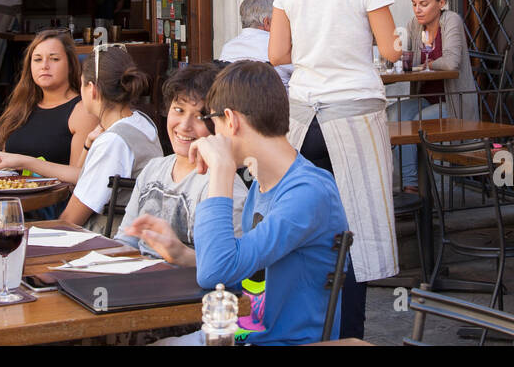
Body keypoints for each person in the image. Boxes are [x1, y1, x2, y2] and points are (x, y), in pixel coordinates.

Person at [130, 62, 349, 345]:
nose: (212, 133)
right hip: (244, 332)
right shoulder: (264, 182)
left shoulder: (308, 192)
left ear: (230, 121)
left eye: (214, 122)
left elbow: (215, 273)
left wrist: (221, 169)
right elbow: (239, 268)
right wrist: (183, 255)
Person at [269, 0, 401, 339]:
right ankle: (349, 335)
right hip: (354, 115)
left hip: (303, 117)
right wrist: (393, 41)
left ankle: (302, 326)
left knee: (304, 223)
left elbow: (278, 54)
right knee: (357, 232)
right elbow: (389, 50)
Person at [117, 62, 248, 262]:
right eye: (178, 110)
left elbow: (229, 267)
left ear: (219, 123)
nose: (185, 126)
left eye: (199, 117)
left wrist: (179, 254)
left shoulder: (224, 185)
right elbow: (126, 241)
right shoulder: (153, 169)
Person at [59, 45, 163, 229]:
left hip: (109, 245)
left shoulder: (113, 141)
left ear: (92, 89)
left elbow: (70, 220)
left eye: (81, 83)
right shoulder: (144, 123)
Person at [390, 0, 478, 189]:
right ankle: (411, 186)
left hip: (455, 100)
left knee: (419, 121)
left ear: (441, 3)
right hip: (426, 98)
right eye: (414, 4)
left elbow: (451, 63)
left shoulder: (451, 21)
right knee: (394, 115)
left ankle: (437, 193)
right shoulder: (414, 25)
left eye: (424, 4)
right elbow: (407, 59)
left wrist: (426, 64)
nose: (417, 10)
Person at [0, 29, 97, 185]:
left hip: (53, 204)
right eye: (37, 59)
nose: (45, 66)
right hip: (12, 197)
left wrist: (26, 162)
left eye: (54, 59)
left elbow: (79, 179)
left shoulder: (82, 111)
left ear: (70, 65)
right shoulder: (22, 105)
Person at [218, 0, 292, 88]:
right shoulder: (279, 48)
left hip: (233, 102)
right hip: (274, 101)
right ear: (267, 23)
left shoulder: (228, 48)